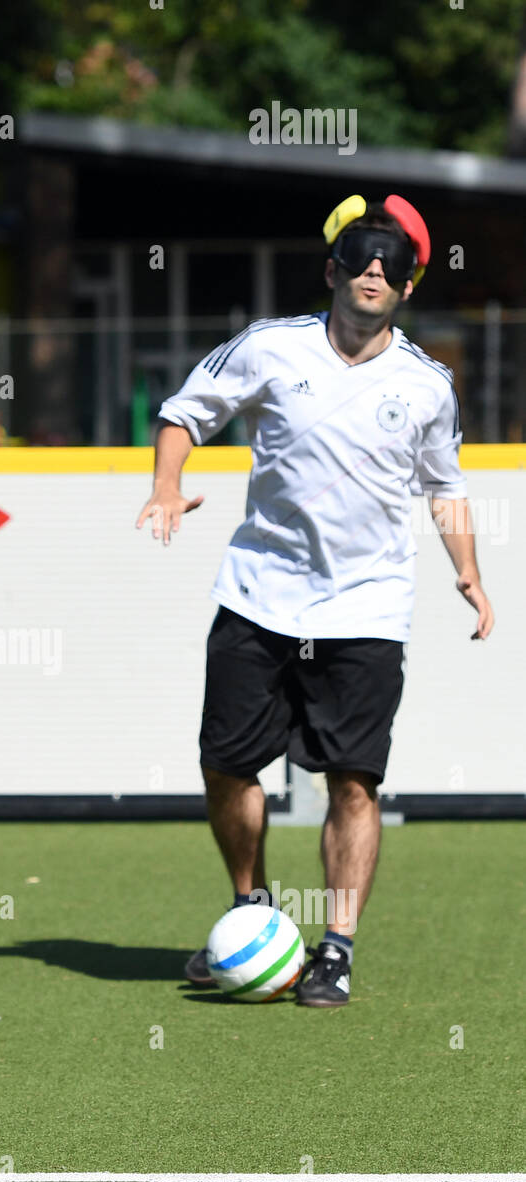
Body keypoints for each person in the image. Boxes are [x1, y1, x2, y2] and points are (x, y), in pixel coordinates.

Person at [136, 194, 494, 1007]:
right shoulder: (270, 347)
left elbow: (444, 487)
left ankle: (335, 947)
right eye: (360, 258)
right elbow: (184, 413)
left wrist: (468, 572)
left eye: (390, 265)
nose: (374, 271)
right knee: (226, 765)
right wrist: (165, 485)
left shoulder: (427, 385)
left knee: (353, 783)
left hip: (366, 611)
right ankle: (252, 910)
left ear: (406, 287)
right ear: (332, 271)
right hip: (257, 596)